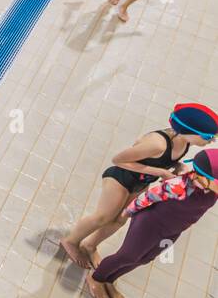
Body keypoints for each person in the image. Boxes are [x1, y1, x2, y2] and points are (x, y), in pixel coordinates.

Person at [60, 103, 218, 284]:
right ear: (188, 130)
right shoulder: (157, 144)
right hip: (120, 178)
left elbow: (166, 162)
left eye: (213, 138)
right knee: (103, 216)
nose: (211, 141)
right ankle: (71, 241)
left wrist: (178, 167)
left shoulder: (184, 142)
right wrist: (160, 173)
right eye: (208, 137)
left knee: (119, 220)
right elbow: (118, 160)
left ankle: (90, 245)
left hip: (141, 182)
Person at [86, 147, 218, 298]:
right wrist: (129, 211)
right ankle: (96, 278)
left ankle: (109, 280)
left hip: (172, 231)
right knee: (128, 255)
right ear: (206, 178)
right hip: (149, 224)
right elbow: (149, 196)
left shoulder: (212, 193)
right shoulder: (179, 186)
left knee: (145, 258)